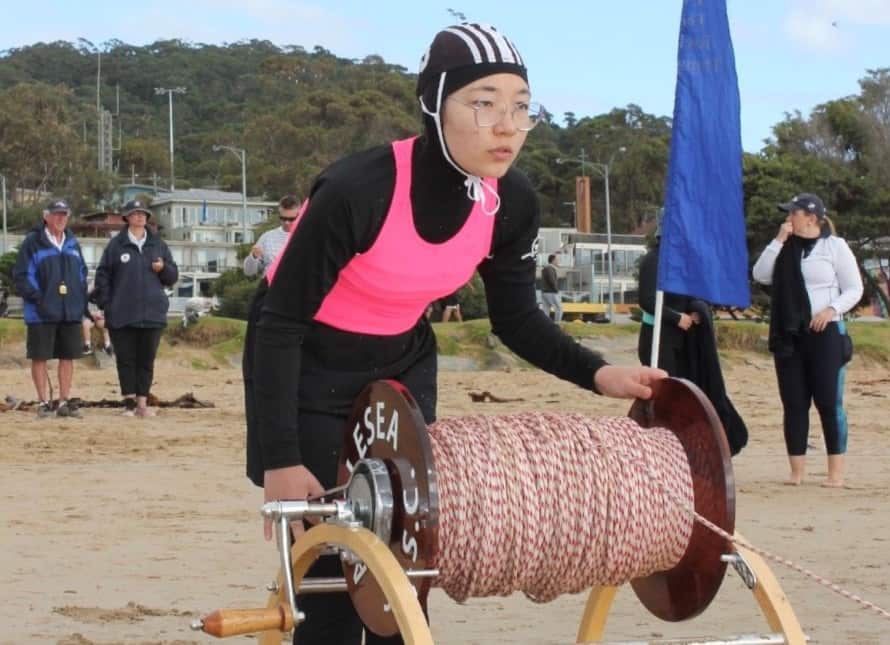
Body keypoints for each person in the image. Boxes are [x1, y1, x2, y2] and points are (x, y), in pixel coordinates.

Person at [246, 23, 666, 645]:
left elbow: (516, 318)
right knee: (332, 567)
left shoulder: (513, 202)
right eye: (484, 103)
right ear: (433, 106)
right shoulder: (359, 188)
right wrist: (280, 460)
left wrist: (599, 373)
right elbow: (279, 325)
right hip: (308, 362)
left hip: (401, 364)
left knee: (405, 560)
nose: (507, 126)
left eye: (522, 108)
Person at [753, 193, 863, 487]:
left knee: (828, 402)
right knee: (794, 403)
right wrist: (778, 240)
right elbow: (761, 274)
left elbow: (854, 289)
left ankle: (835, 473)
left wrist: (831, 309)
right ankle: (797, 472)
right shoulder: (785, 248)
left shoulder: (834, 247)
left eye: (794, 214)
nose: (789, 218)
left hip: (825, 334)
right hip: (790, 333)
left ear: (811, 218)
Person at [93, 199, 178, 417]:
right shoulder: (115, 245)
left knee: (146, 360)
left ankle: (143, 403)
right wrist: (107, 305)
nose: (140, 216)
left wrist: (163, 268)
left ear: (147, 218)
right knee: (126, 359)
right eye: (135, 213)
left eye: (143, 214)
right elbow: (103, 277)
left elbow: (172, 277)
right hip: (122, 313)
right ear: (127, 217)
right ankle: (129, 403)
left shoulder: (158, 244)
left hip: (153, 313)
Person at [12, 199, 88, 418]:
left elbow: (82, 272)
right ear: (46, 216)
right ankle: (44, 402)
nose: (61, 218)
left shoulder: (73, 242)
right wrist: (39, 298)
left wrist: (79, 299)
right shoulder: (32, 242)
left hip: (69, 311)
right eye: (56, 214)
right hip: (40, 312)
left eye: (64, 214)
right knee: (40, 357)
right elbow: (22, 275)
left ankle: (64, 402)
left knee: (68, 357)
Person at [242, 195, 300, 277]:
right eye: (283, 218)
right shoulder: (267, 237)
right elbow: (249, 272)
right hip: (270, 287)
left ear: (300, 216)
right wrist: (254, 257)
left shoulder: (308, 237)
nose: (287, 222)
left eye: (291, 219)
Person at [540, 253, 562, 323]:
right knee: (559, 309)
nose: (558, 261)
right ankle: (557, 324)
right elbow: (552, 280)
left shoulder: (546, 268)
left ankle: (544, 325)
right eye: (557, 260)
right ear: (553, 260)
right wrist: (556, 290)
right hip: (551, 292)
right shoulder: (550, 268)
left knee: (546, 310)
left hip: (545, 292)